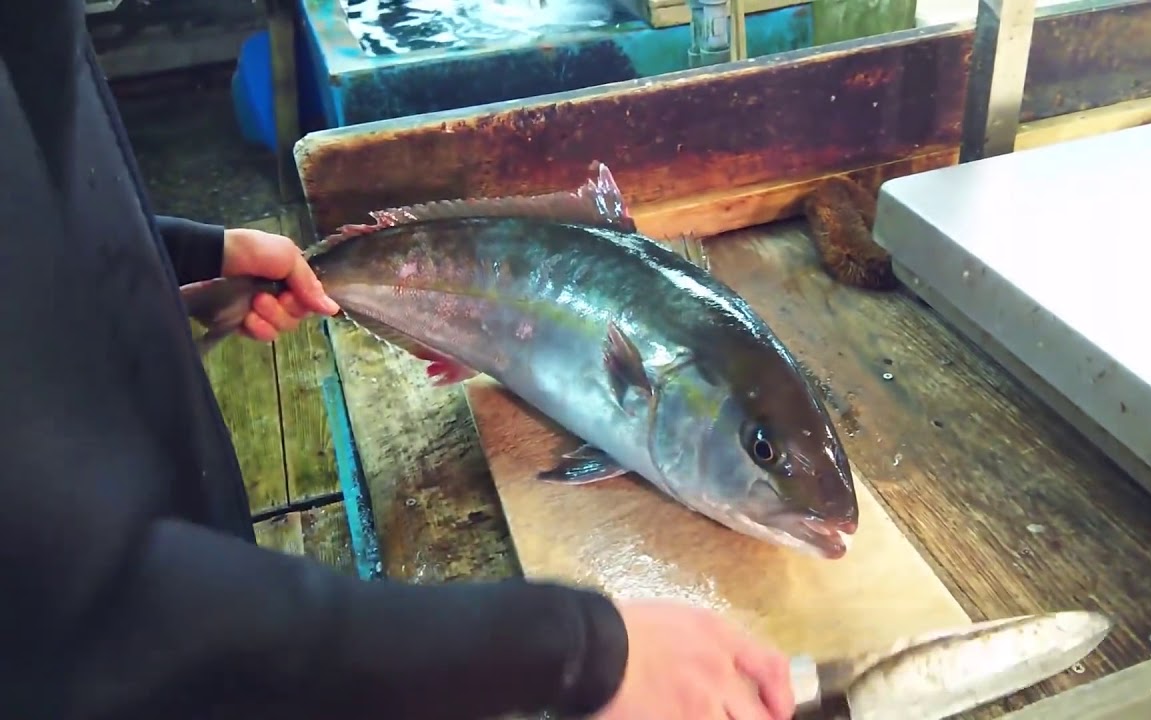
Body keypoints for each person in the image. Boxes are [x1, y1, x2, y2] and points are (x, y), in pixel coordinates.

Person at [0, 4, 796, 720]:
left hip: (203, 551)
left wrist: (164, 255)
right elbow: (86, 612)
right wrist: (581, 653)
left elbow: (42, 180)